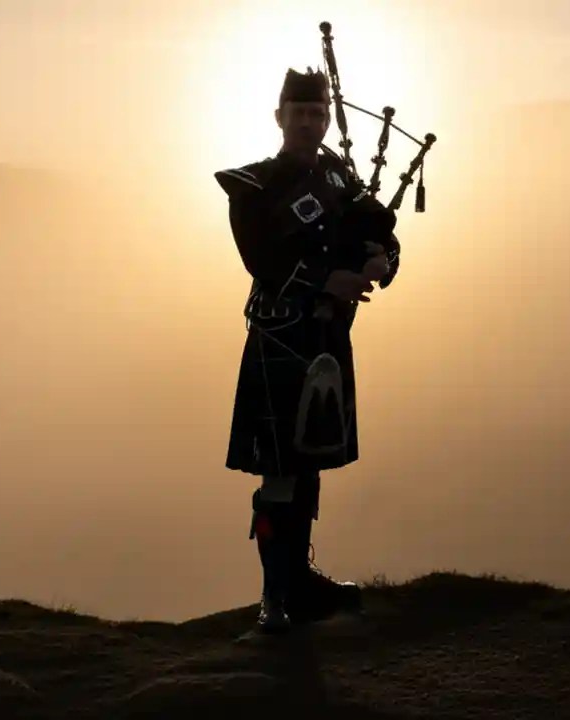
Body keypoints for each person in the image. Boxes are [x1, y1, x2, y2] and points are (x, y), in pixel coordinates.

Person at [214, 67, 402, 634]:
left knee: (308, 462)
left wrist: (380, 261)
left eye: (318, 113)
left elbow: (377, 232)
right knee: (279, 471)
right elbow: (263, 260)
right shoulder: (254, 186)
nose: (310, 122)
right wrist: (328, 281)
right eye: (299, 113)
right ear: (279, 117)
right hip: (280, 336)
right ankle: (275, 597)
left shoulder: (340, 178)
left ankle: (301, 581)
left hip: (325, 338)